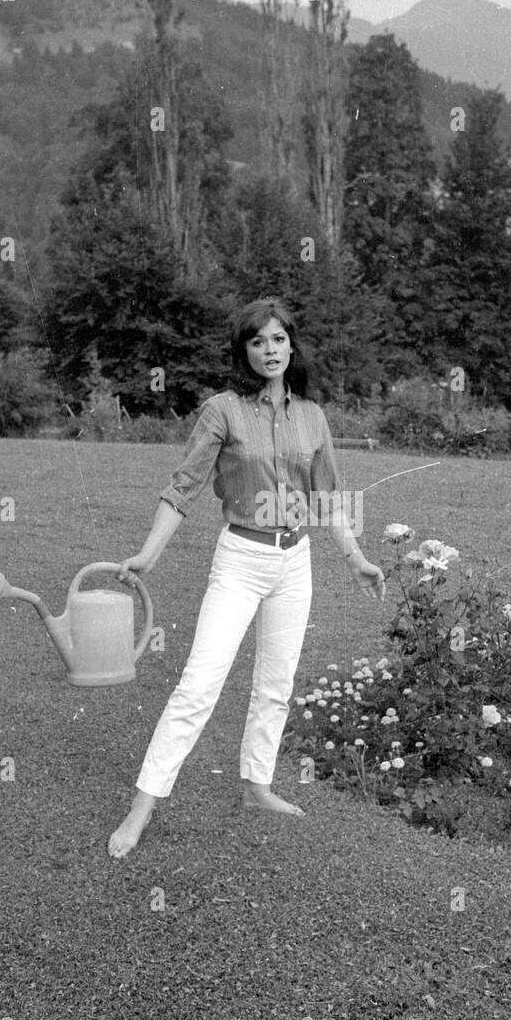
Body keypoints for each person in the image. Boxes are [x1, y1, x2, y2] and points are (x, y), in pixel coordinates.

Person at [108, 297, 386, 858]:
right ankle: (141, 808)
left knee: (275, 685)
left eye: (278, 340)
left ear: (291, 346)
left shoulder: (312, 415)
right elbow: (182, 487)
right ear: (244, 351)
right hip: (240, 560)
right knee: (199, 685)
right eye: (258, 342)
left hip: (295, 562)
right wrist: (148, 554)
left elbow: (328, 497)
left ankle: (257, 786)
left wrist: (355, 558)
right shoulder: (222, 410)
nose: (270, 351)